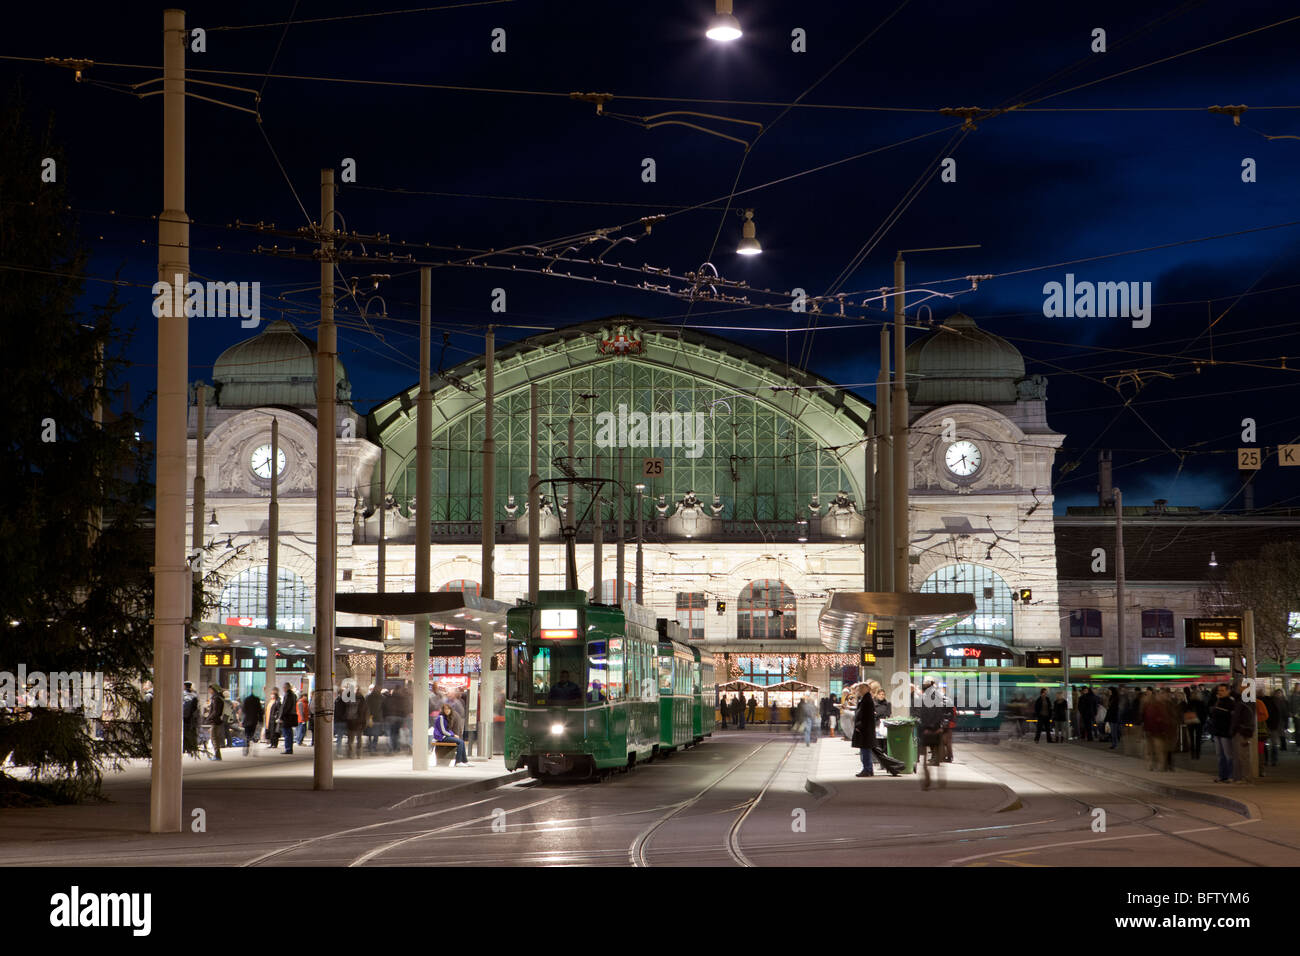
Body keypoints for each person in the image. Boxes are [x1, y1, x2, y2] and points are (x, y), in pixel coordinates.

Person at [1207, 683, 1234, 782]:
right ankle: (1222, 775)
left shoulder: (1230, 703)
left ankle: (1231, 775)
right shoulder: (1217, 701)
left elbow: (1229, 716)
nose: (1220, 693)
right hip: (1217, 731)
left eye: (1222, 690)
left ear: (1228, 691)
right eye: (1219, 691)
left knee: (1228, 754)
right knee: (1220, 755)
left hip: (1225, 732)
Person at [1229, 687, 1255, 783]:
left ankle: (1246, 777)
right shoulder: (1246, 703)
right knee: (1241, 755)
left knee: (1243, 755)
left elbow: (1238, 719)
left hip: (1242, 732)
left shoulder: (1244, 704)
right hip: (1243, 731)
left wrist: (1233, 730)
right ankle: (1241, 777)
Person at [1267, 689, 1287, 767]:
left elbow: (1285, 714)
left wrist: (1286, 724)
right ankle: (1274, 760)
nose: (1278, 695)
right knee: (1274, 743)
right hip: (1274, 725)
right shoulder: (1271, 702)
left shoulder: (1284, 702)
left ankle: (1274, 759)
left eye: (1280, 693)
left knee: (1275, 742)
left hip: (1280, 724)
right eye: (1277, 693)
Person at [205, 684, 225, 760]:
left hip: (215, 721)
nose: (209, 691)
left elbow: (215, 711)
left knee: (214, 738)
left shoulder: (216, 698)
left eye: (210, 689)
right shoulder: (220, 697)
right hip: (219, 720)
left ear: (213, 689)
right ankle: (217, 754)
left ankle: (217, 755)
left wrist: (209, 718)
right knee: (215, 737)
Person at [241, 689, 263, 757]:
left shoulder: (246, 700)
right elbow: (260, 711)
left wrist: (242, 720)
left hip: (247, 719)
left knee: (247, 734)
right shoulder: (256, 700)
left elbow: (243, 710)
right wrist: (261, 720)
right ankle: (252, 747)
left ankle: (246, 748)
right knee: (253, 733)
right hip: (254, 720)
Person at [181, 681, 200, 755]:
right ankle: (192, 747)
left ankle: (185, 747)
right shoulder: (194, 694)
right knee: (192, 731)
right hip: (192, 717)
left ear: (184, 686)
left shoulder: (183, 694)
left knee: (185, 732)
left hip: (185, 716)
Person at [279, 683, 297, 754]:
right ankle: (289, 748)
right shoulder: (292, 695)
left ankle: (288, 748)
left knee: (287, 732)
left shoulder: (288, 695)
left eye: (283, 687)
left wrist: (282, 716)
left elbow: (286, 706)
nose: (283, 689)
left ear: (286, 688)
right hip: (290, 716)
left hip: (287, 717)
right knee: (289, 732)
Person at [365, 684, 384, 753]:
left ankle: (370, 746)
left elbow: (365, 707)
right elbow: (384, 708)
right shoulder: (382, 697)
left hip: (370, 717)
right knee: (376, 733)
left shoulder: (368, 697)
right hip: (378, 718)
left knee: (369, 732)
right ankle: (373, 747)